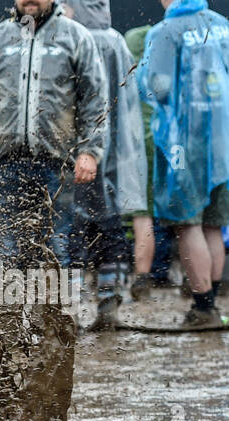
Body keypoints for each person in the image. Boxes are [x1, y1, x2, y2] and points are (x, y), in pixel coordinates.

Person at [0, 0, 108, 266]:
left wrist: (90, 151)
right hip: (6, 163)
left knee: (55, 245)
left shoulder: (75, 36)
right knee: (7, 248)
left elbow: (94, 99)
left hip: (57, 164)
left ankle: (54, 308)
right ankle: (11, 309)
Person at [138, 0, 229, 326]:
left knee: (188, 223)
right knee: (214, 224)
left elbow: (157, 87)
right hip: (221, 142)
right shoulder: (221, 23)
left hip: (184, 143)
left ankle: (203, 308)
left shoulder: (166, 31)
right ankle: (212, 303)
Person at [65, 0, 147, 328]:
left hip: (75, 156)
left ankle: (67, 309)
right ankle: (109, 303)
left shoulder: (70, 39)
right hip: (111, 157)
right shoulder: (116, 41)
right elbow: (128, 104)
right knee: (109, 230)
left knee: (71, 234)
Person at [125, 23, 175, 299]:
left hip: (139, 144)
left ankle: (143, 277)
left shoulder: (131, 71)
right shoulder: (167, 68)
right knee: (175, 211)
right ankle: (164, 272)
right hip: (170, 142)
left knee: (142, 214)